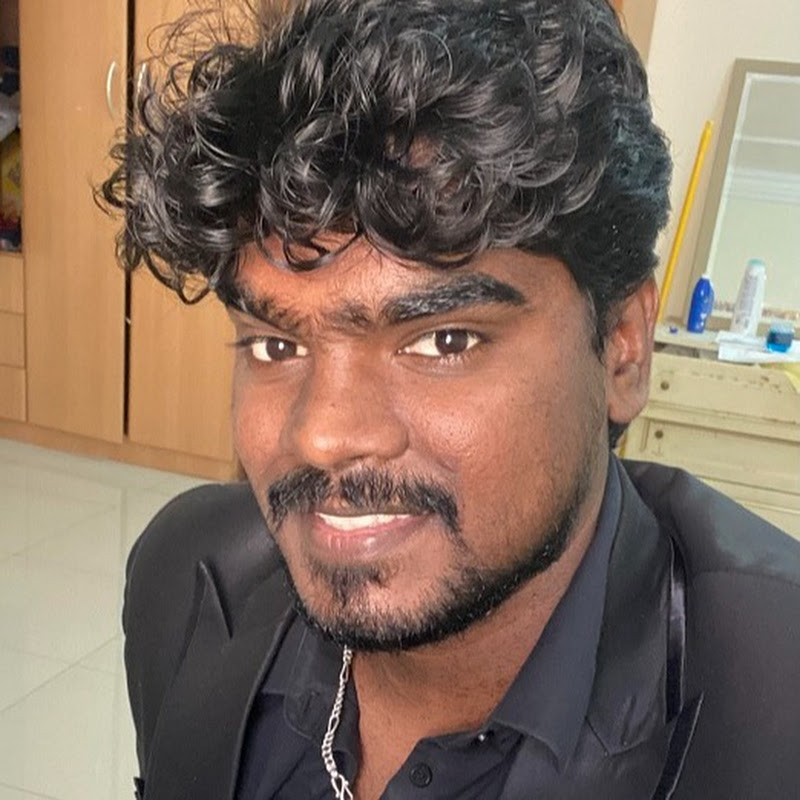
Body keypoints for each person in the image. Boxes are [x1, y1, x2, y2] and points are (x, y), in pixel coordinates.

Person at [102, 1, 800, 798]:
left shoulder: (774, 720)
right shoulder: (185, 576)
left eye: (443, 340)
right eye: (276, 345)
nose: (323, 435)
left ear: (622, 348)